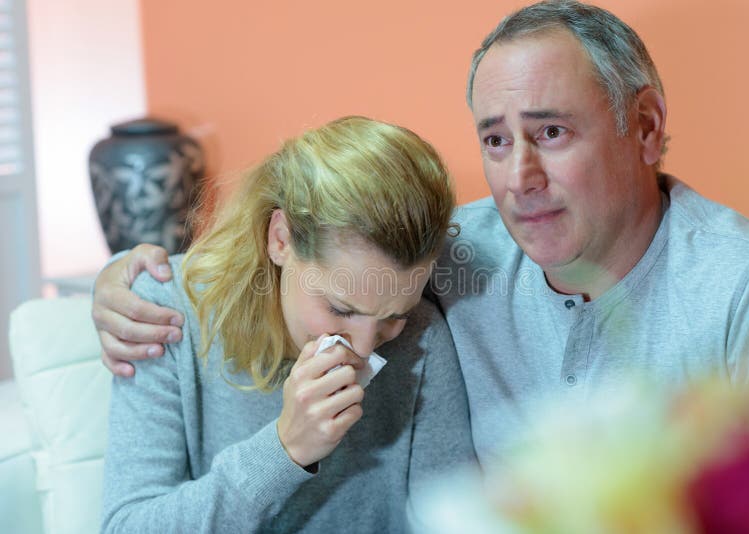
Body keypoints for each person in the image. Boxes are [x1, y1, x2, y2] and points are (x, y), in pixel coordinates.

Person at [92, 0, 749, 466]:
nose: (520, 176)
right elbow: (331, 258)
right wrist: (124, 277)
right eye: (495, 141)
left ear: (644, 127)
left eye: (551, 132)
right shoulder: (466, 257)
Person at [100, 116, 475, 533]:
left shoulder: (425, 338)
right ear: (280, 239)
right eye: (340, 309)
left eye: (392, 318)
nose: (365, 348)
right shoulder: (165, 317)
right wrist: (285, 450)